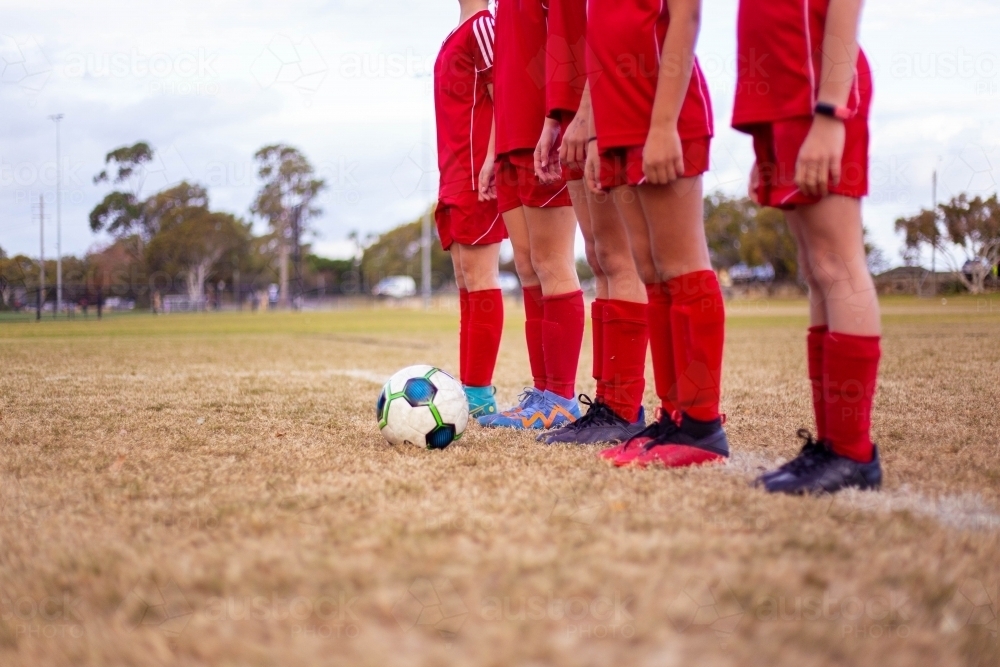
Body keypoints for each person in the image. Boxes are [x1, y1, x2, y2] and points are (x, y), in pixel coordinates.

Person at [734, 0, 883, 493]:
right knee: (817, 268)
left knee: (837, 264)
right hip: (780, 96)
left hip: (818, 89)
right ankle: (832, 444)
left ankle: (852, 451)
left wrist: (831, 109)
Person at [587, 0, 730, 468]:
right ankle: (675, 417)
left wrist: (665, 123)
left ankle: (702, 424)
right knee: (652, 269)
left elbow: (685, 15)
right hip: (619, 121)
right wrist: (594, 134)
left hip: (661, 114)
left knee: (681, 263)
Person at [532, 0, 650, 445]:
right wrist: (558, 116)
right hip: (579, 109)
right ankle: (610, 402)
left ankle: (625, 406)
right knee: (600, 257)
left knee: (620, 258)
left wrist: (588, 109)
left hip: (608, 98)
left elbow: (607, 33)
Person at [478, 0, 585, 430]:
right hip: (510, 142)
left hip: (544, 134)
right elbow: (501, 83)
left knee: (551, 261)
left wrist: (554, 119)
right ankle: (542, 394)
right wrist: (492, 154)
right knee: (526, 266)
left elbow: (568, 46)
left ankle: (561, 396)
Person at [434, 0, 507, 419]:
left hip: (479, 173)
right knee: (465, 279)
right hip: (454, 173)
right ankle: (469, 387)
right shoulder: (456, 32)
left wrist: (492, 158)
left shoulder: (484, 25)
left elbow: (505, 95)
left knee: (481, 277)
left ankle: (479, 395)